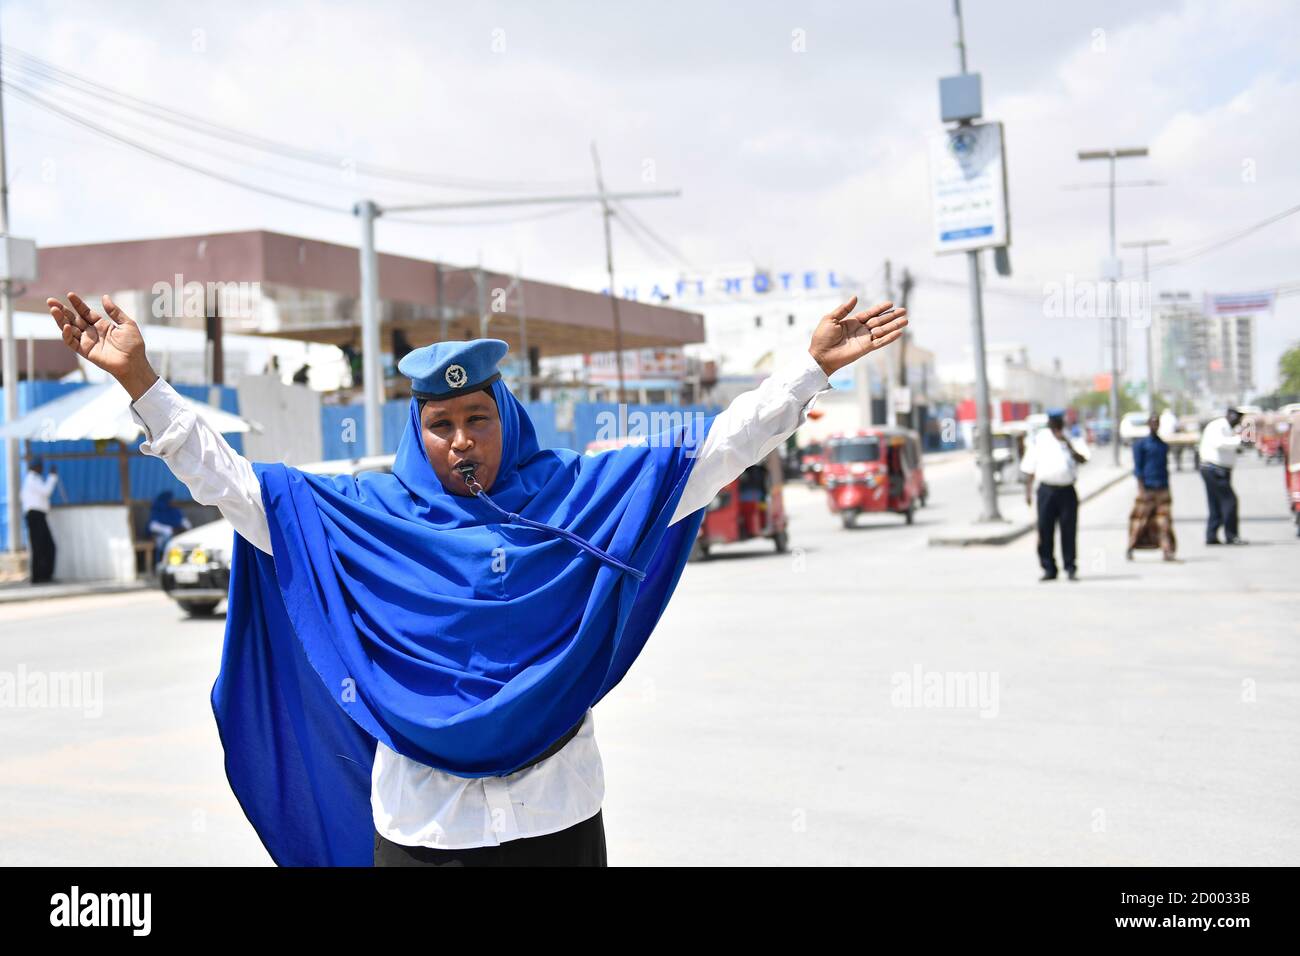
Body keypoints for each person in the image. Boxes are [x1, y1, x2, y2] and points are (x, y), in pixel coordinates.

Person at [46, 289, 909, 867]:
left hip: (557, 820)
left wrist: (812, 369)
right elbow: (228, 480)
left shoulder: (579, 494)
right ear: (416, 432)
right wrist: (141, 382)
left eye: (477, 419)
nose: (461, 440)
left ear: (508, 418)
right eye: (442, 424)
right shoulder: (364, 511)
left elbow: (720, 448)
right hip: (422, 828)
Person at [1020, 410, 1089, 581]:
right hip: (1046, 491)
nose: (1056, 427)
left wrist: (1068, 444)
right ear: (1049, 424)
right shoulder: (1039, 440)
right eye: (1053, 423)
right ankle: (1049, 568)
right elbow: (1029, 468)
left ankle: (1070, 567)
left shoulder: (1071, 438)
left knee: (1069, 530)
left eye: (1059, 423)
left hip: (1067, 491)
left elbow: (1083, 459)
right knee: (1045, 530)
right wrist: (1028, 492)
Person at [1127, 414, 1176, 561]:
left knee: (1164, 522)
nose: (1155, 425)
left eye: (1157, 423)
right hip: (1147, 488)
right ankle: (1130, 547)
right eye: (1152, 423)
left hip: (1161, 487)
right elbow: (1138, 468)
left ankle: (1167, 550)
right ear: (1148, 424)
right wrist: (1141, 488)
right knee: (1140, 520)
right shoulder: (1141, 445)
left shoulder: (1162, 445)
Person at [1199, 407, 1244, 545]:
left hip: (1218, 470)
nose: (1239, 420)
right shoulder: (1218, 426)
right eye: (1237, 417)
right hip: (1214, 470)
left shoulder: (1228, 428)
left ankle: (1211, 536)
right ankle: (1231, 535)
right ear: (1230, 415)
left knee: (1216, 504)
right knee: (1230, 501)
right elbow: (1220, 443)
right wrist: (1239, 439)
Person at [21, 457, 60, 584]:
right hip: (35, 516)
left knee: (47, 546)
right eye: (40, 466)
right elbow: (46, 491)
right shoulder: (32, 479)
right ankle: (38, 577)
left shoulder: (34, 479)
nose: (42, 469)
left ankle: (44, 575)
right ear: (35, 467)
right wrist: (52, 477)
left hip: (38, 516)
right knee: (40, 547)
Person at [146, 490, 192, 567]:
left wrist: (186, 528)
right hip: (161, 536)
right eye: (170, 499)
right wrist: (170, 530)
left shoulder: (175, 510)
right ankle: (164, 563)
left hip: (178, 534)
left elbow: (185, 523)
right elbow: (153, 526)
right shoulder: (157, 510)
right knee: (167, 540)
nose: (172, 501)